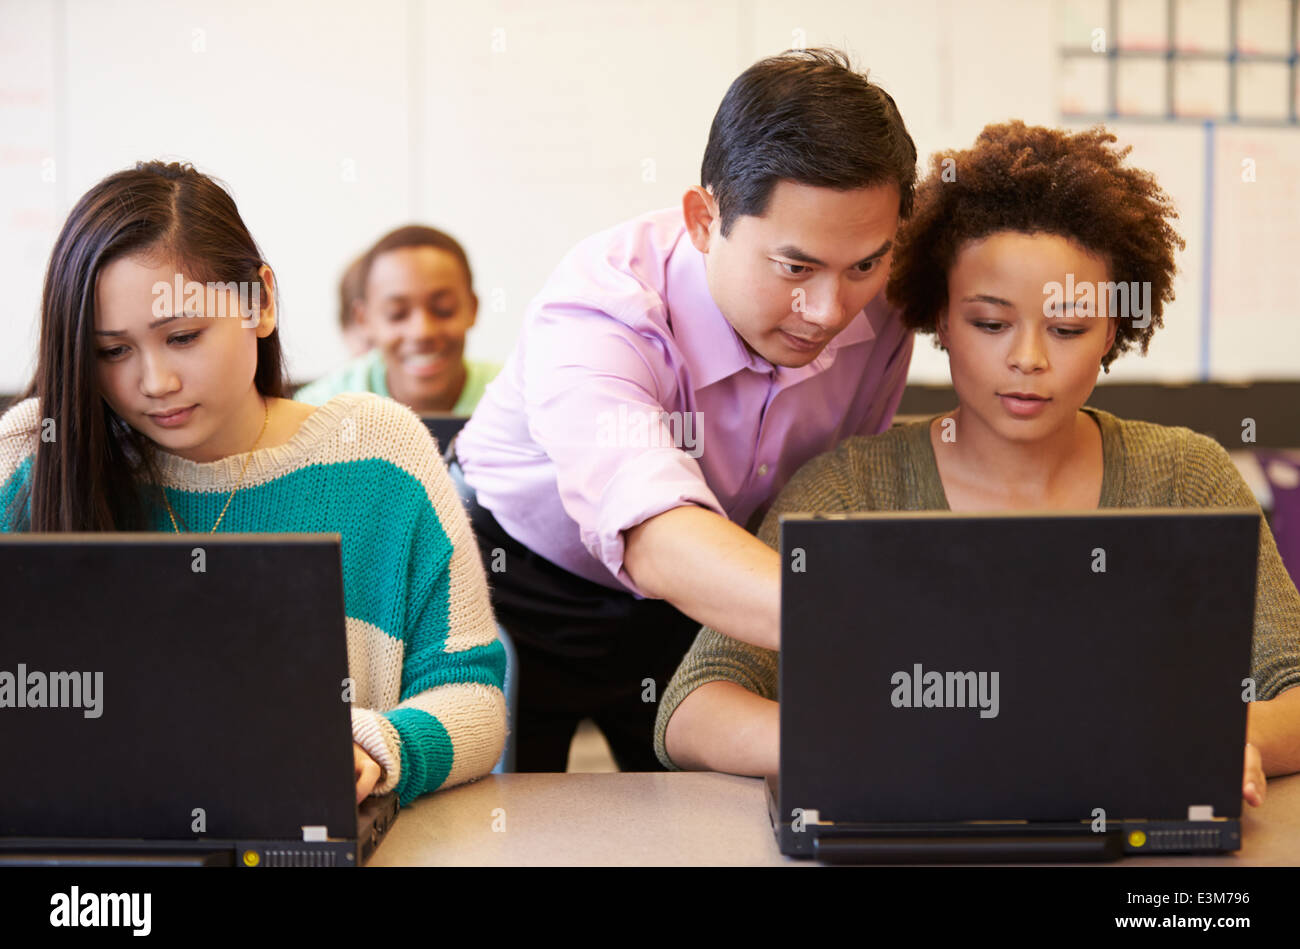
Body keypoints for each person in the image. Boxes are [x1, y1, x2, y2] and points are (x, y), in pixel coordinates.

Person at [654, 121, 1300, 807]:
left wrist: (1203, 733)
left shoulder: (1185, 477)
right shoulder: (849, 489)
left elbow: (1290, 680)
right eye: (990, 324)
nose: (1028, 359)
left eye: (1069, 328)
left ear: (1115, 327)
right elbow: (692, 709)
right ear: (939, 317)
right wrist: (864, 741)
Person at [451, 47, 918, 770]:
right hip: (519, 586)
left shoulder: (891, 297)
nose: (829, 311)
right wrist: (900, 628)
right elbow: (654, 533)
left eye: (863, 265)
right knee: (502, 831)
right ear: (705, 219)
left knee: (705, 826)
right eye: (795, 267)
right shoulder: (598, 306)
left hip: (718, 595)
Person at [0, 161, 506, 806]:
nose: (154, 382)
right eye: (112, 352)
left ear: (260, 301)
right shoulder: (33, 453)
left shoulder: (379, 454)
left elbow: (474, 699)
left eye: (182, 336)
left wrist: (378, 748)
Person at [296, 226, 501, 415]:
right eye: (397, 314)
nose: (422, 331)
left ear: (473, 308)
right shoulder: (317, 412)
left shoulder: (516, 398)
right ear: (363, 319)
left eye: (443, 310)